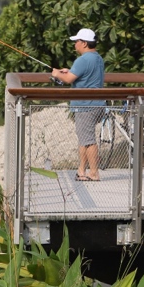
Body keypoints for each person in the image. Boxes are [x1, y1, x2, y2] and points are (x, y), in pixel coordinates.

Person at [52, 28, 105, 181]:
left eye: (76, 42)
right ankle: (81, 170)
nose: (75, 44)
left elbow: (67, 79)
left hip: (85, 105)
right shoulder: (97, 58)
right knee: (84, 138)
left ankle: (94, 173)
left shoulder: (83, 59)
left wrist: (56, 73)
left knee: (88, 140)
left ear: (84, 43)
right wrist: (68, 72)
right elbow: (80, 75)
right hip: (96, 104)